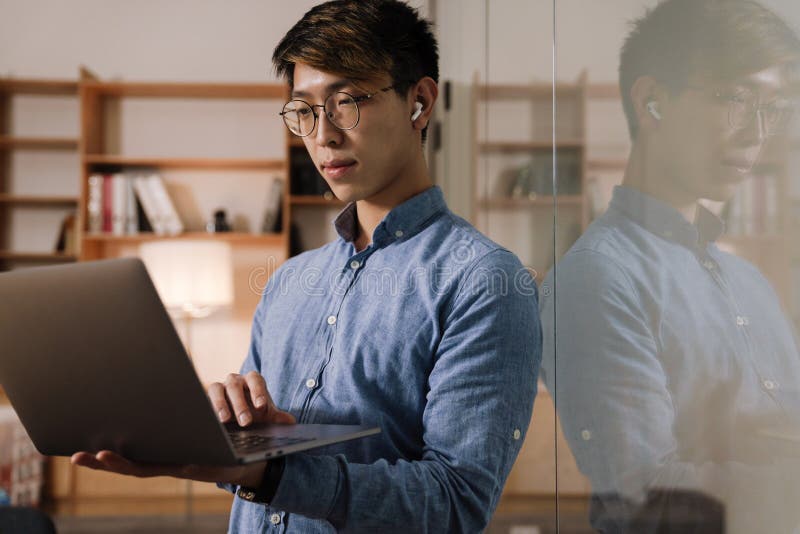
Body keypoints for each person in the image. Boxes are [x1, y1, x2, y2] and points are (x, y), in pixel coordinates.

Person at [72, 1, 542, 532]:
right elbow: (250, 470)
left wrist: (271, 474)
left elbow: (456, 504)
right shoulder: (289, 281)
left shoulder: (484, 283)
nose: (323, 135)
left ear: (420, 101)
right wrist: (233, 432)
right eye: (305, 110)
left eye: (346, 102)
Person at [539, 0, 800, 532]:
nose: (757, 133)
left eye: (772, 108)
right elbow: (645, 498)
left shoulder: (751, 282)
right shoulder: (596, 279)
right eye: (735, 98)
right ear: (652, 101)